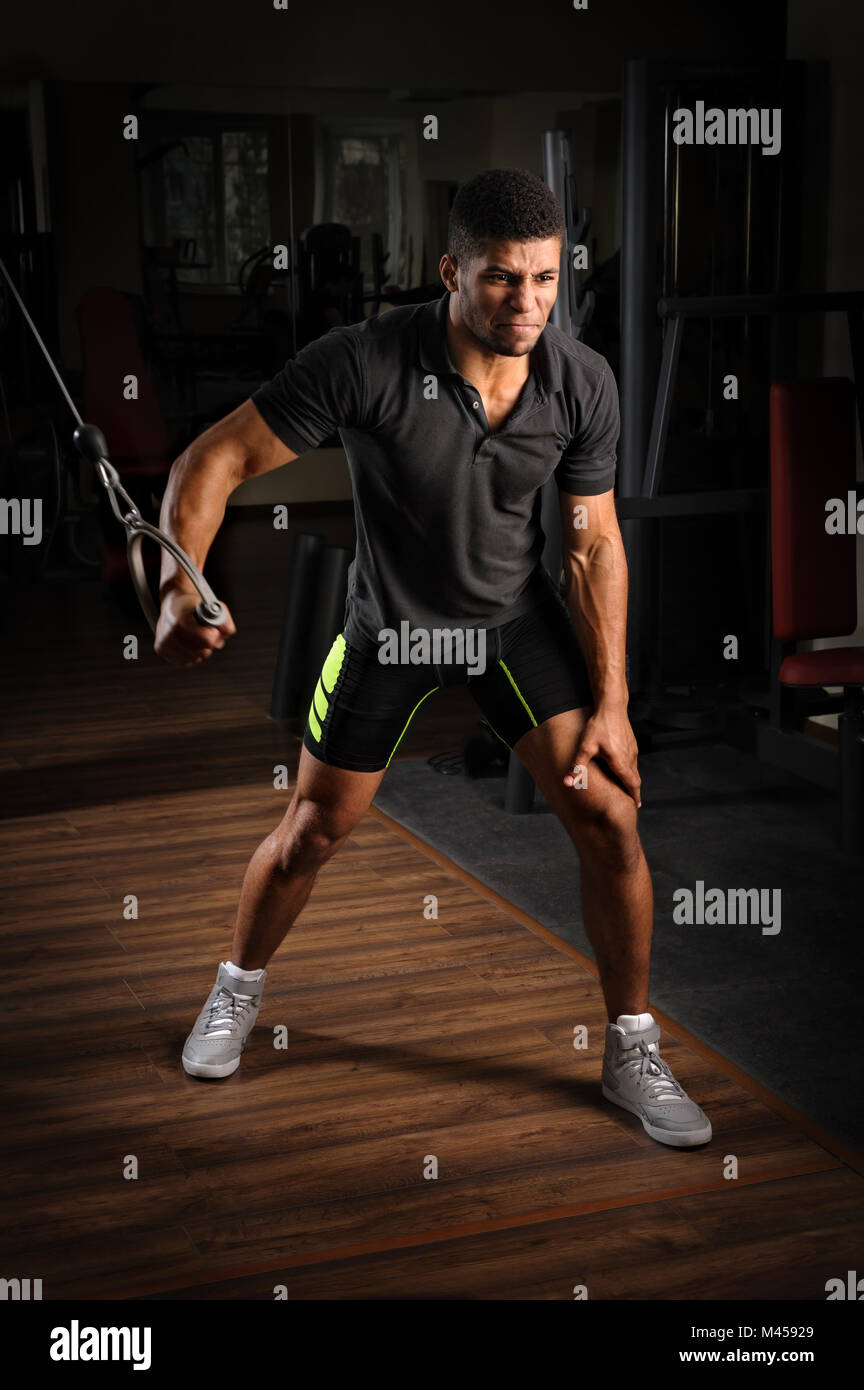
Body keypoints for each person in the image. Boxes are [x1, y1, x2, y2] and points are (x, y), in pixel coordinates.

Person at [156, 168, 711, 1149]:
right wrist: (177, 583)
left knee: (609, 816)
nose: (529, 303)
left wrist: (615, 703)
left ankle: (631, 1045)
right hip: (392, 627)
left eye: (545, 279)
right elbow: (216, 460)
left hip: (512, 622)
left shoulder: (581, 380)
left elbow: (591, 545)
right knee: (314, 830)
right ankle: (235, 992)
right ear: (450, 270)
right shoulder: (363, 359)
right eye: (503, 279)